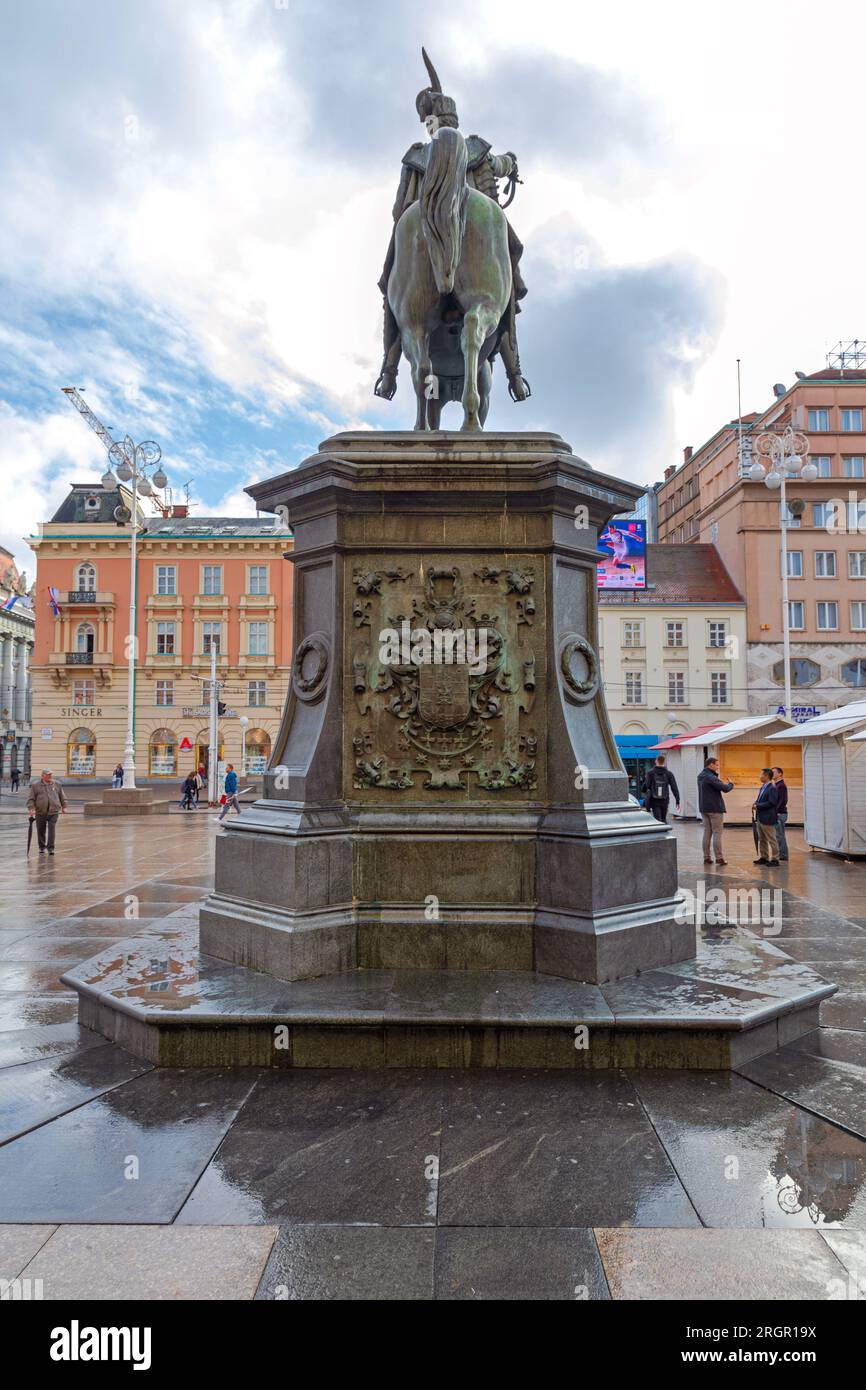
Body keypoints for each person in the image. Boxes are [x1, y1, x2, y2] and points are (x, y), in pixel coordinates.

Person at [374, 49, 529, 404]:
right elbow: (503, 165)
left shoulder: (415, 157)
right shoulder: (479, 151)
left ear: (434, 123)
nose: (427, 128)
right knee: (506, 283)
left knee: (389, 287)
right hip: (477, 238)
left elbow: (400, 208)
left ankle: (389, 368)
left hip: (422, 234)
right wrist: (512, 164)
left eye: (428, 122)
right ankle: (515, 372)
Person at [697, 756, 734, 866]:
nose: (718, 767)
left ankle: (706, 857)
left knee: (707, 833)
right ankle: (719, 858)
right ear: (710, 765)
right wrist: (730, 784)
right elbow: (725, 788)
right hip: (715, 809)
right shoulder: (710, 777)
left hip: (704, 808)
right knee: (717, 833)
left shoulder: (700, 776)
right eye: (716, 765)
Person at [26, 768, 67, 855]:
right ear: (43, 776)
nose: (50, 776)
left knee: (52, 829)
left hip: (54, 811)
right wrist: (31, 808)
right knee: (41, 830)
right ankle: (41, 847)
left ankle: (51, 848)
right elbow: (31, 798)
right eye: (48, 775)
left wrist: (64, 806)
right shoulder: (36, 785)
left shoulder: (57, 784)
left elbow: (62, 796)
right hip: (40, 811)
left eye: (51, 774)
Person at [642, 754, 681, 823]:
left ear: (656, 761)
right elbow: (674, 787)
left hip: (654, 800)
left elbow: (647, 785)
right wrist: (677, 800)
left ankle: (660, 831)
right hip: (665, 800)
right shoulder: (669, 773)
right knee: (663, 819)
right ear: (664, 762)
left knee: (657, 820)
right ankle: (665, 831)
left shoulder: (650, 773)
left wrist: (644, 789)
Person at [753, 768, 780, 866]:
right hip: (760, 817)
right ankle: (764, 857)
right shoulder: (763, 787)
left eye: (761, 775)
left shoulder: (772, 788)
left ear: (766, 776)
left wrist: (758, 806)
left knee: (771, 839)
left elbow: (772, 802)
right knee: (762, 838)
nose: (759, 777)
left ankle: (775, 859)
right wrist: (756, 803)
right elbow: (760, 799)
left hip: (768, 817)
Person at [772, 767, 789, 861]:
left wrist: (776, 812)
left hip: (780, 813)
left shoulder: (781, 785)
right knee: (778, 835)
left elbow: (783, 800)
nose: (772, 774)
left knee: (780, 835)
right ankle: (781, 854)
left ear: (780, 774)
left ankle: (783, 855)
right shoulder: (776, 785)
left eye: (774, 772)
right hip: (778, 813)